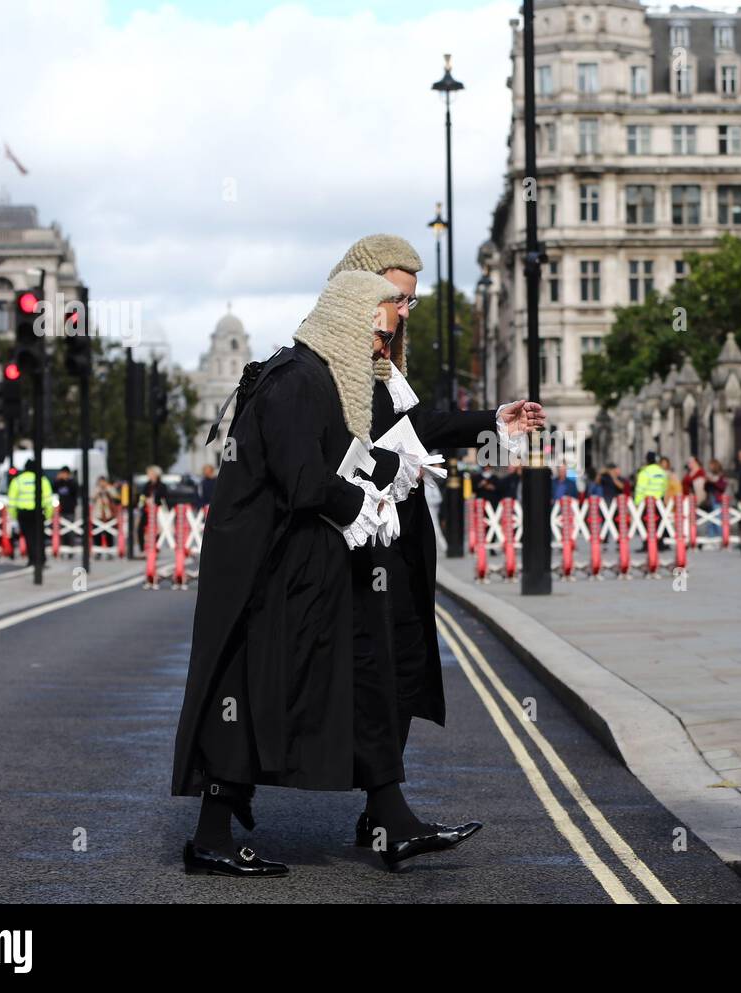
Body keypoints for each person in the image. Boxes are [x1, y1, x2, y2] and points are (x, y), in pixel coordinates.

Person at [173, 270, 411, 877]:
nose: (383, 350)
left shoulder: (315, 379)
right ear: (347, 324)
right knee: (246, 690)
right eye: (378, 337)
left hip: (289, 562)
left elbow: (328, 454)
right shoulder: (297, 380)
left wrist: (392, 469)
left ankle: (385, 814)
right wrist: (365, 504)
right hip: (263, 567)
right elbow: (304, 481)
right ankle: (211, 838)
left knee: (269, 689)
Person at [329, 234, 545, 853]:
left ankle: (381, 811)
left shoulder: (384, 367)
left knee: (402, 664)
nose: (403, 314)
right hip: (364, 539)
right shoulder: (335, 361)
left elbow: (415, 426)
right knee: (374, 668)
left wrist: (490, 419)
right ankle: (381, 813)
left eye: (410, 304)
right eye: (398, 299)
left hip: (401, 539)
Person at [7, 459, 53, 567]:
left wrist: (13, 515)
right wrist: (48, 515)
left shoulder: (18, 480)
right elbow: (48, 500)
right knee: (39, 536)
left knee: (28, 537)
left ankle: (32, 559)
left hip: (23, 513)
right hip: (38, 512)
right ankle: (41, 560)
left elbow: (12, 501)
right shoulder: (42, 480)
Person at [137, 466, 167, 551]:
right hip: (147, 510)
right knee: (140, 528)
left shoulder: (162, 485)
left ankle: (155, 546)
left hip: (158, 511)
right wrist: (143, 502)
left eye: (150, 473)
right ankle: (142, 548)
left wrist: (155, 501)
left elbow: (164, 498)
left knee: (158, 530)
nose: (149, 475)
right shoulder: (147, 485)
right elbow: (142, 496)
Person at [54, 466, 80, 546]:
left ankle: (71, 545)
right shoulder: (59, 482)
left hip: (70, 509)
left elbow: (75, 490)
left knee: (70, 529)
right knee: (62, 529)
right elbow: (54, 489)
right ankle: (63, 545)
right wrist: (57, 480)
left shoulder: (72, 482)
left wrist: (67, 480)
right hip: (61, 509)